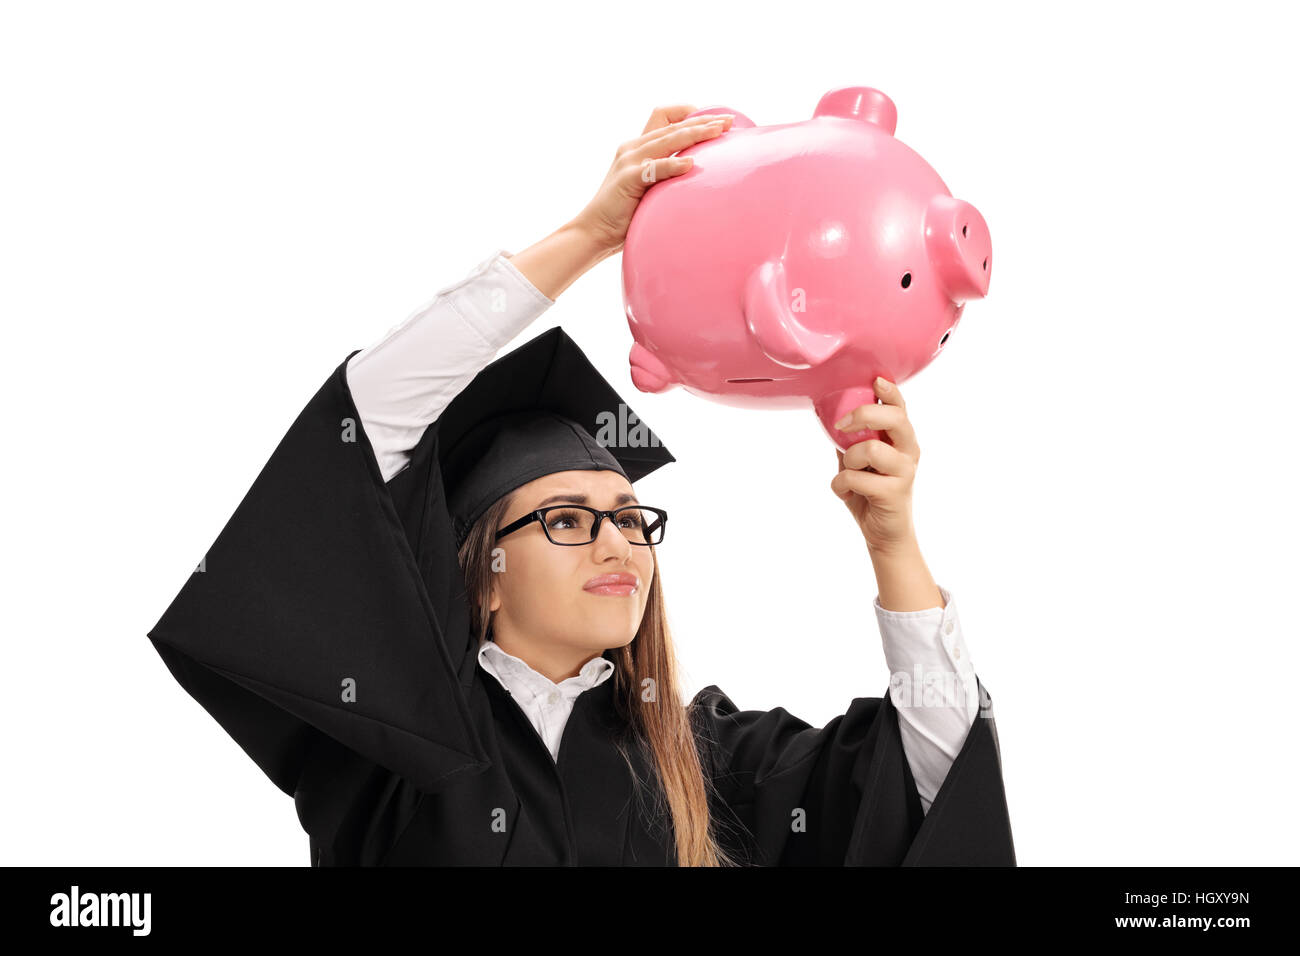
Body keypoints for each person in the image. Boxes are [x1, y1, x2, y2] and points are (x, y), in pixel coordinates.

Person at [147, 105, 1015, 866]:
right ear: (482, 565)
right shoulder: (402, 732)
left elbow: (935, 774)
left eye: (634, 521)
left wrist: (894, 544)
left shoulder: (695, 761)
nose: (618, 544)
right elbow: (369, 412)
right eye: (567, 519)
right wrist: (594, 236)